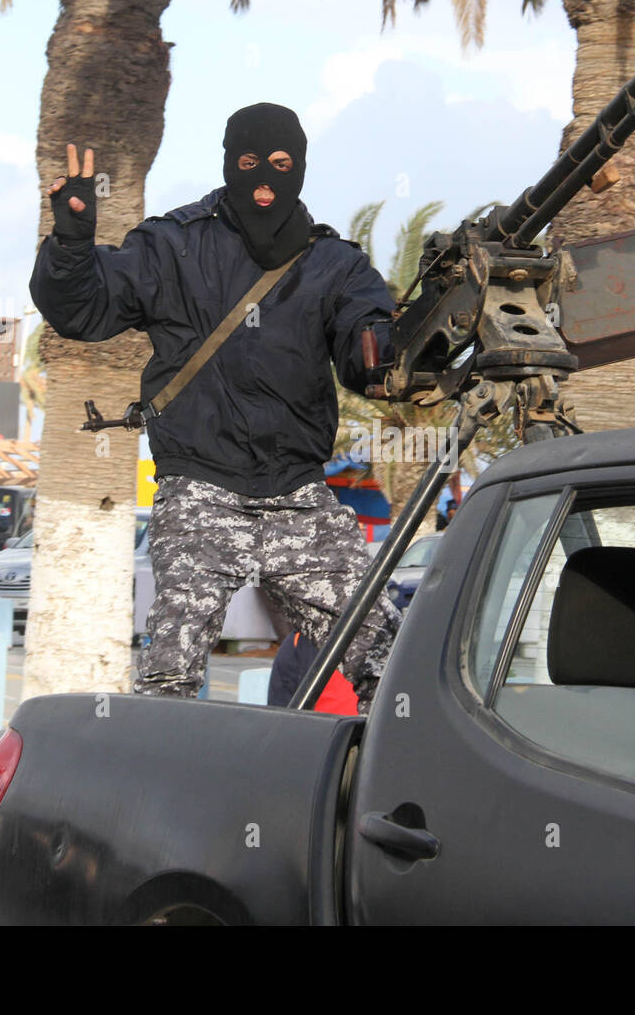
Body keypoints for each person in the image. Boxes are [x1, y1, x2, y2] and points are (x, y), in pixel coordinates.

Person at [30, 102, 401, 712]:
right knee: (170, 676)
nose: (265, 182)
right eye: (250, 163)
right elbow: (82, 310)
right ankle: (160, 796)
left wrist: (389, 352)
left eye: (281, 165)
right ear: (227, 163)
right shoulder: (173, 245)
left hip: (299, 497)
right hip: (200, 491)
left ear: (301, 168)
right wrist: (72, 242)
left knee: (387, 662)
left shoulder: (334, 265)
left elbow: (372, 356)